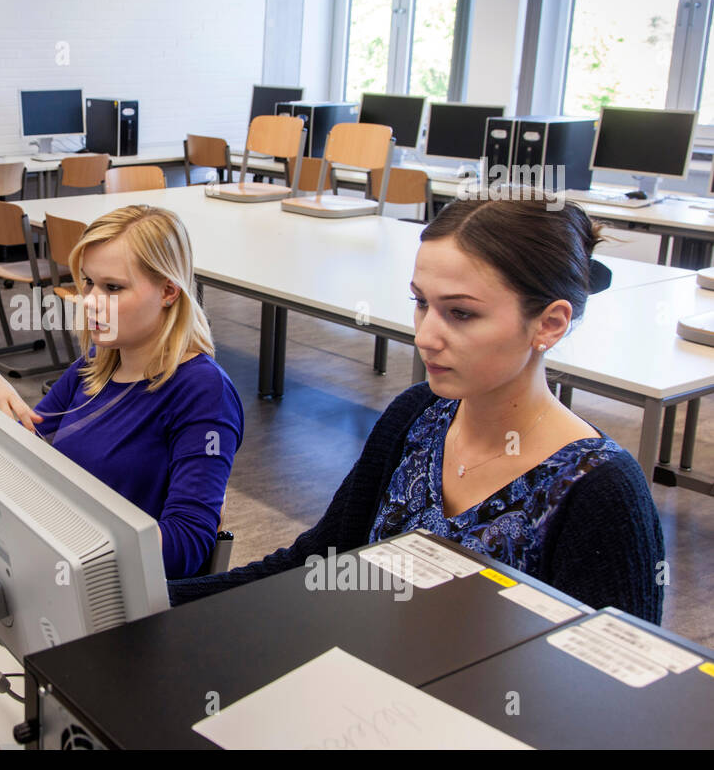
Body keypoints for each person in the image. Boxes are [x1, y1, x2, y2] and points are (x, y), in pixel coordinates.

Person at [170, 195, 665, 624]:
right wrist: (144, 603)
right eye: (421, 303)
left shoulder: (600, 490)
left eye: (461, 313)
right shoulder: (418, 414)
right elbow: (316, 563)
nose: (425, 336)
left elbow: (618, 707)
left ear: (550, 325)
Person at [0, 205, 244, 580]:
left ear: (168, 290)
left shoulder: (204, 393)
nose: (89, 301)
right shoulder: (98, 362)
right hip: (56, 565)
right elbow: (25, 449)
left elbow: (187, 547)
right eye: (87, 282)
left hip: (115, 596)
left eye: (112, 288)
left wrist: (75, 535)